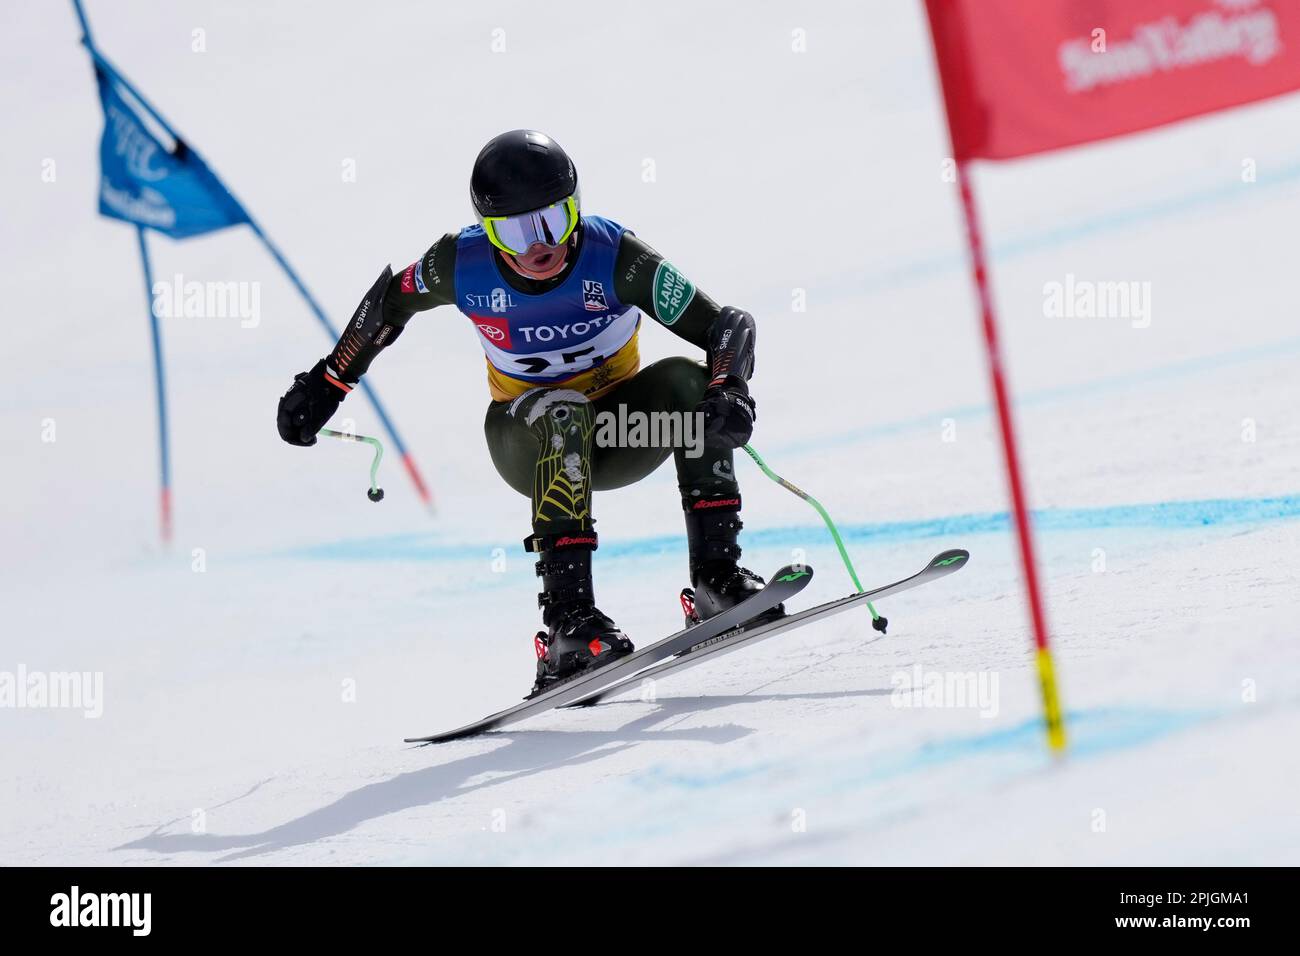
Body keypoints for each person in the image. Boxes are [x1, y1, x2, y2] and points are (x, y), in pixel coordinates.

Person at [277, 129, 781, 694]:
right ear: (486, 230)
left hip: (621, 433)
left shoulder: (616, 257)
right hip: (527, 442)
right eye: (513, 230)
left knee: (691, 381)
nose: (536, 246)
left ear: (576, 209)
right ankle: (568, 625)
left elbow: (726, 325)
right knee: (563, 414)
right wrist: (327, 381)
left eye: (552, 221)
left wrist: (730, 386)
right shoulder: (460, 264)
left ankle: (717, 579)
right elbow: (391, 301)